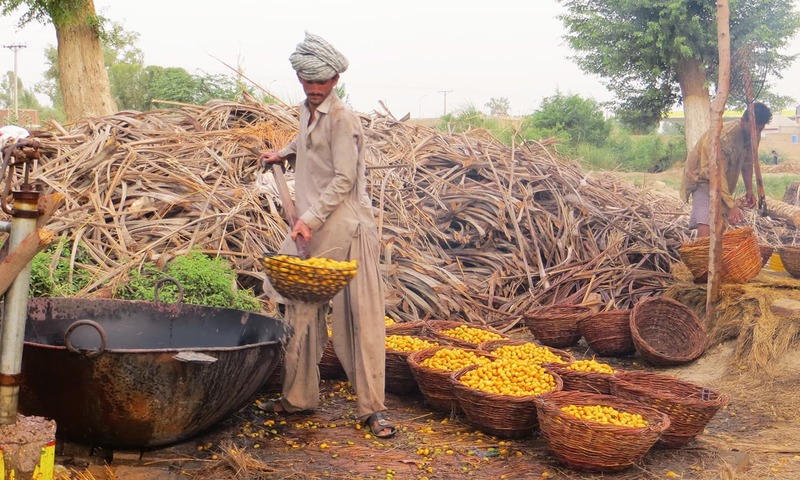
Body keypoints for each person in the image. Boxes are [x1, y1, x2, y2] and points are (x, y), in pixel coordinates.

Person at [258, 32, 396, 439]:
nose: (315, 89)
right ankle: (298, 399)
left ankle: (374, 409)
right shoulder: (307, 110)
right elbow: (308, 143)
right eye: (307, 80)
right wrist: (283, 153)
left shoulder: (343, 119)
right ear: (299, 78)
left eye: (322, 82)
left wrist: (310, 219)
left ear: (335, 79)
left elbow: (345, 178)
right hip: (312, 232)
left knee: (360, 321)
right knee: (301, 313)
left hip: (347, 229)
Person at [680, 103, 772, 237]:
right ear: (743, 121)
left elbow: (747, 162)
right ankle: (702, 255)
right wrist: (731, 205)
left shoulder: (754, 136)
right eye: (754, 129)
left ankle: (715, 256)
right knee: (707, 220)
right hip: (703, 178)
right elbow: (715, 173)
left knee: (719, 224)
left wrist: (749, 190)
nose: (756, 133)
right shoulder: (724, 138)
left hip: (723, 181)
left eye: (760, 129)